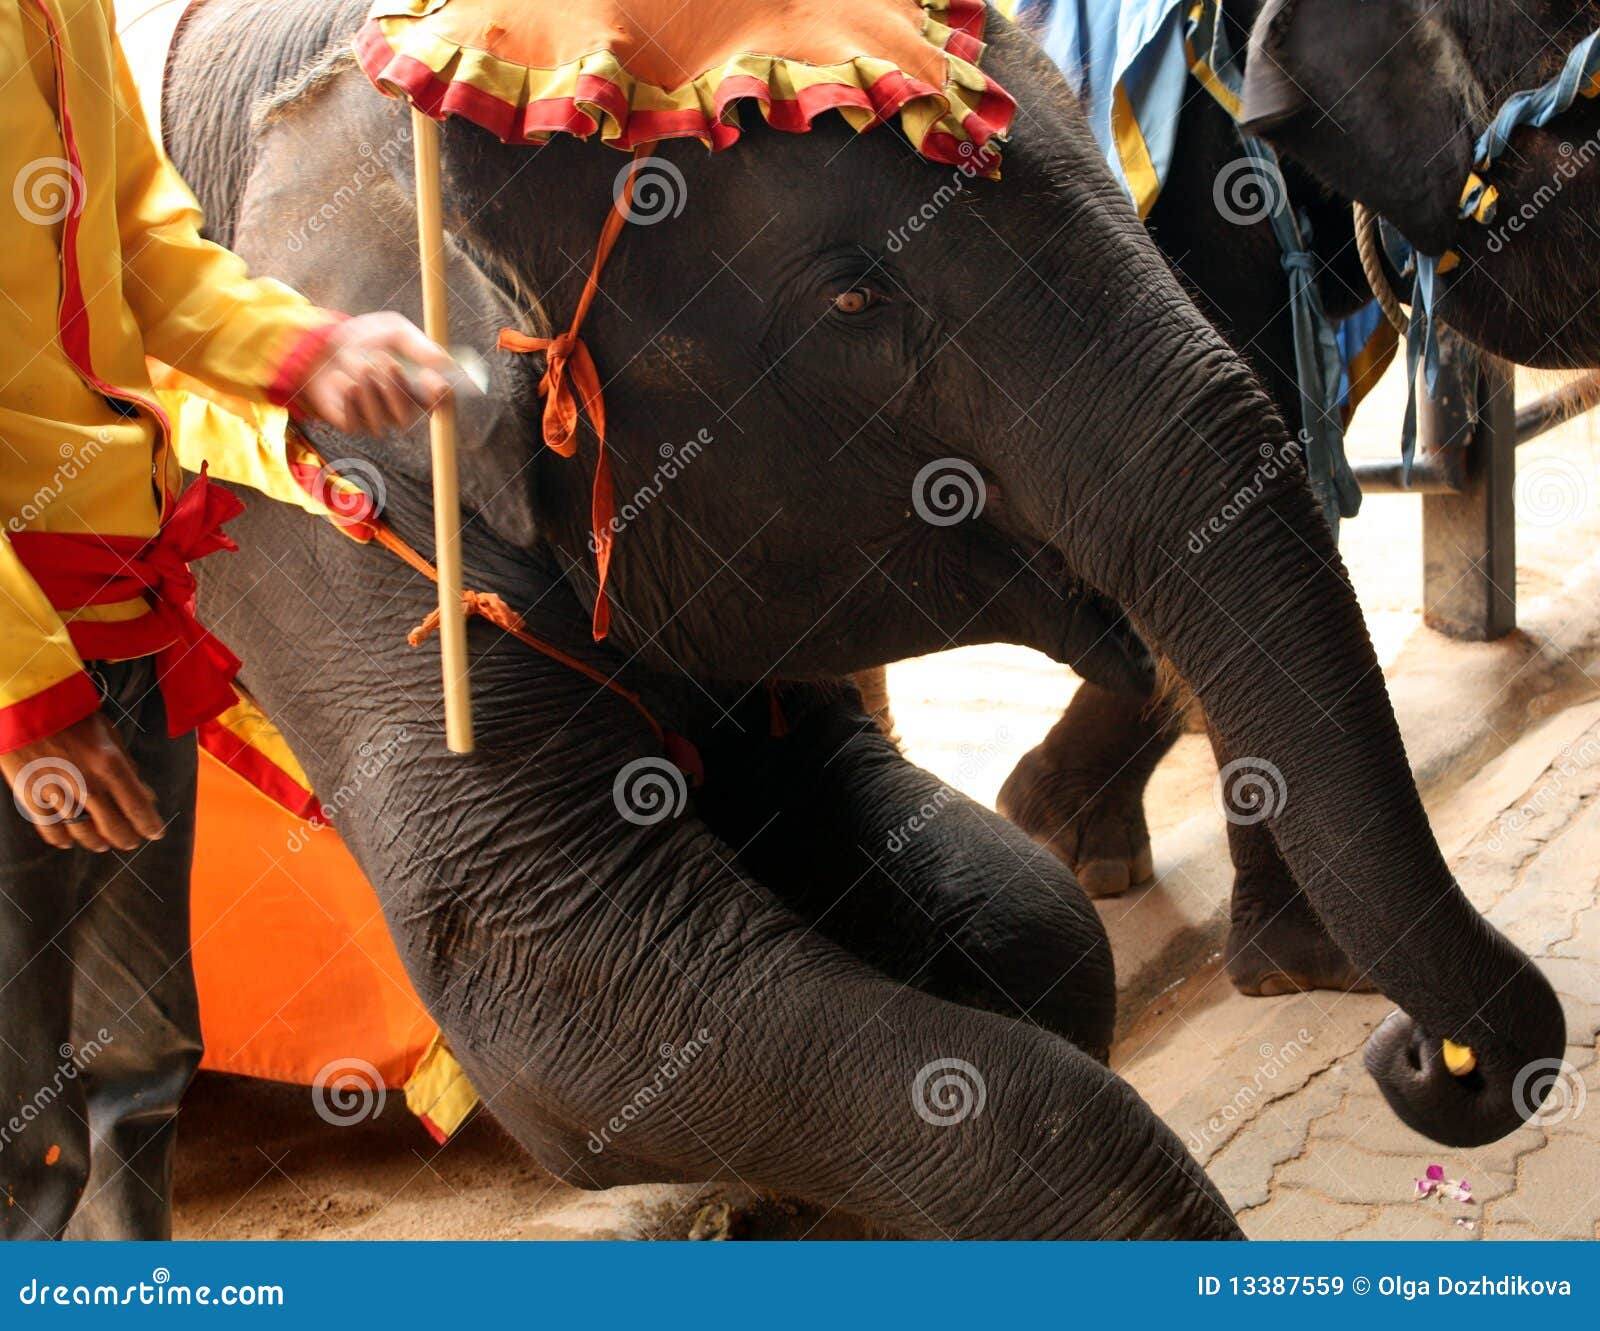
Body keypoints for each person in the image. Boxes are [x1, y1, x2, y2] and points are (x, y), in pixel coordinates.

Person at [0, 0, 458, 1239]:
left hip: (123, 595)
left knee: (138, 1046)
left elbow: (143, 245)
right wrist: (27, 704)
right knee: (14, 1104)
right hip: (19, 645)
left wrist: (303, 348)